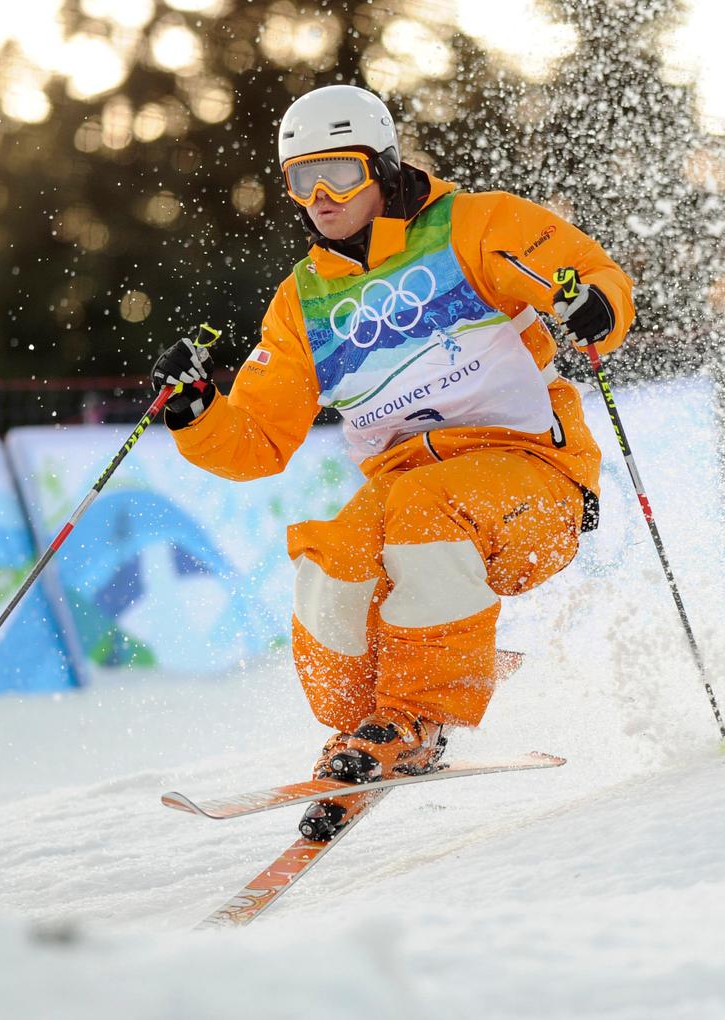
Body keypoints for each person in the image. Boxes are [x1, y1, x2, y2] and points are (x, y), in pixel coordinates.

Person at [150, 84, 635, 807]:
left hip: (534, 479)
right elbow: (256, 441)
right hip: (411, 481)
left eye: (339, 173)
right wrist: (194, 410)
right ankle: (362, 729)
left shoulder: (474, 225)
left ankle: (418, 714)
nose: (320, 195)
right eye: (299, 179)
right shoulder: (303, 301)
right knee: (332, 554)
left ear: (380, 165)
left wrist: (596, 306)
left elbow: (592, 274)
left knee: (418, 511)